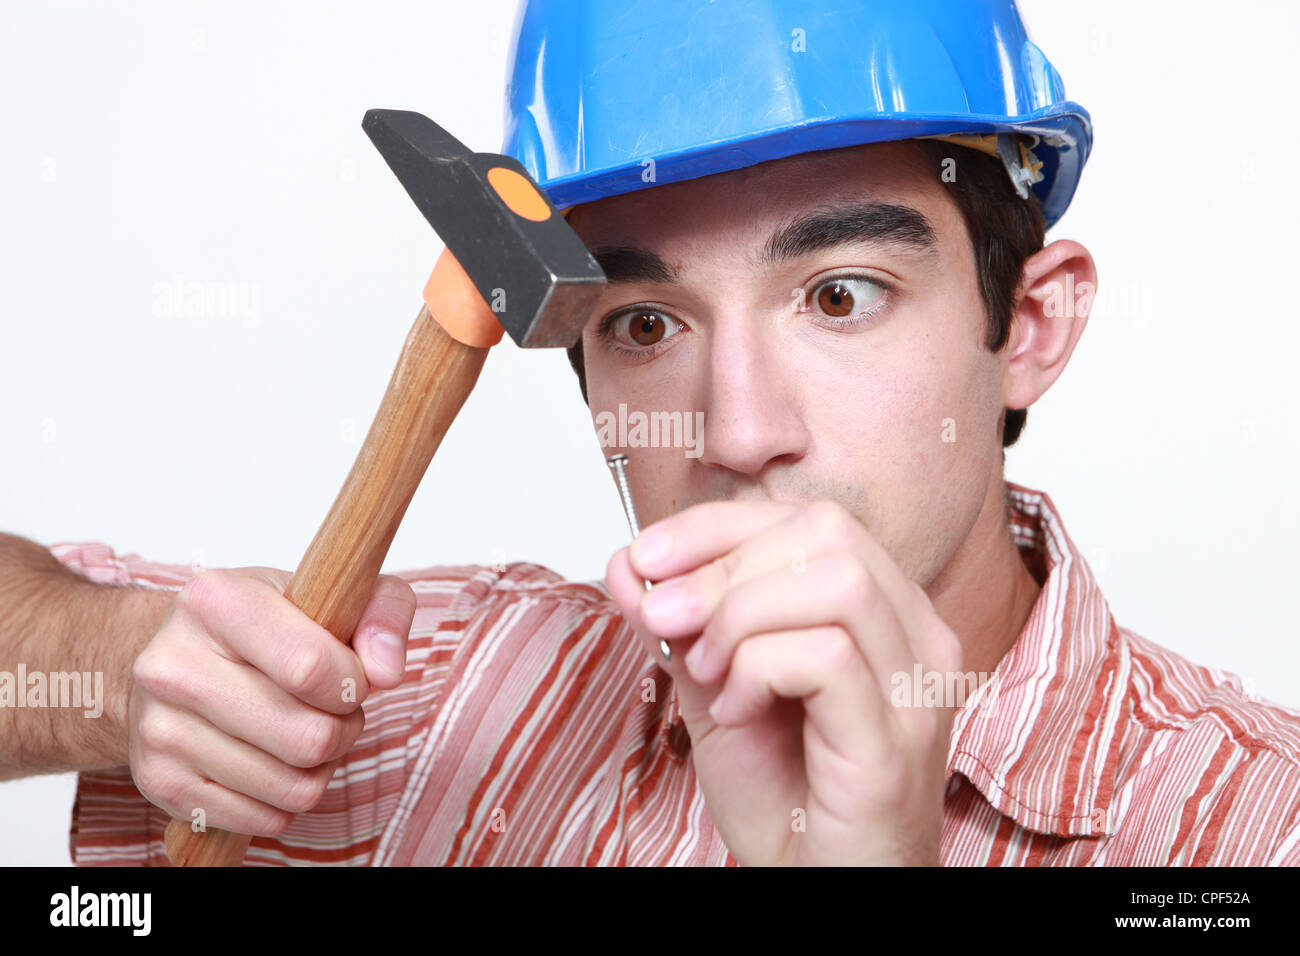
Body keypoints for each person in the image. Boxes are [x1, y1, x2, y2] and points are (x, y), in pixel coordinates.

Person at [4, 0, 1300, 865]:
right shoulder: (439, 694)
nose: (736, 431)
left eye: (839, 295)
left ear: (1030, 325)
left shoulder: (1250, 830)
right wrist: (114, 666)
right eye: (642, 325)